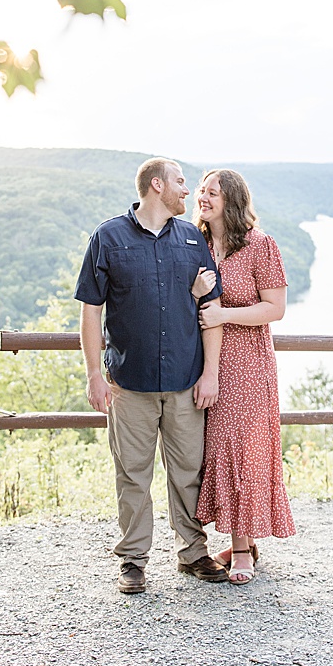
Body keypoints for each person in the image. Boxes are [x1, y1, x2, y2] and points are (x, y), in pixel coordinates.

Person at [76, 157, 227, 594]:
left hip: (185, 380)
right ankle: (133, 561)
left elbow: (210, 312)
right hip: (129, 383)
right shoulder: (108, 237)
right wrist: (93, 375)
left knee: (188, 472)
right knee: (133, 475)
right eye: (181, 182)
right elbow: (90, 312)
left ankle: (193, 553)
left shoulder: (192, 240)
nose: (188, 192)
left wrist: (211, 374)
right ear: (157, 185)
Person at [191, 169, 294, 584]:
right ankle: (243, 539)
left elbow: (275, 308)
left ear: (230, 200)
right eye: (201, 189)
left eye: (212, 192)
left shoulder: (259, 245)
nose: (202, 197)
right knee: (214, 450)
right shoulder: (194, 243)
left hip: (247, 364)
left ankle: (240, 550)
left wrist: (223, 314)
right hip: (202, 362)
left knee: (242, 451)